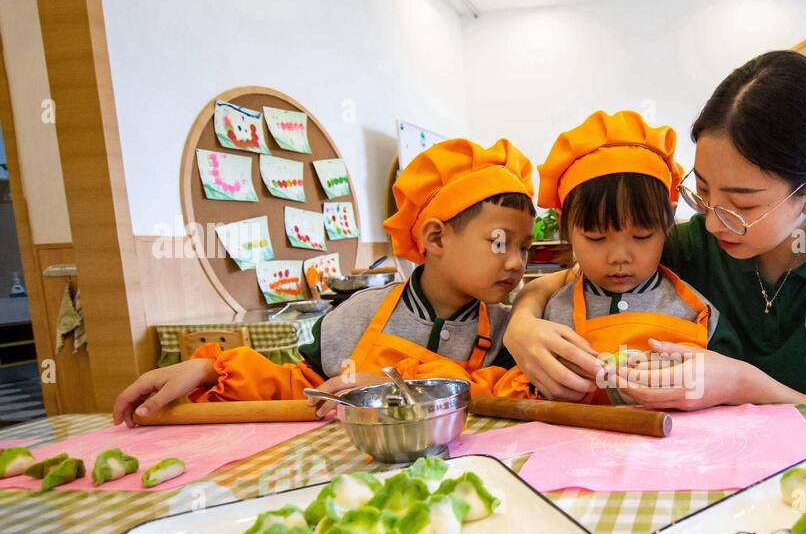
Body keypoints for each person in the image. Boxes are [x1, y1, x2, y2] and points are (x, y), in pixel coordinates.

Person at [502, 50, 806, 408]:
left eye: (742, 204)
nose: (711, 221)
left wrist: (742, 383)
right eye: (702, 192)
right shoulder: (693, 244)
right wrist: (522, 325)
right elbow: (565, 279)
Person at [112, 138, 535, 425]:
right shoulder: (356, 316)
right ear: (436, 237)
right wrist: (209, 370)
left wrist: (394, 389)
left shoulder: (509, 332)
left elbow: (506, 401)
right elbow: (305, 391)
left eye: (525, 248)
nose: (516, 263)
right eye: (500, 242)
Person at [493, 109, 724, 404]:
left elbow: (724, 393)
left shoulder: (696, 311)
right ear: (566, 225)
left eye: (641, 236)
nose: (618, 257)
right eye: (596, 238)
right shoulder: (552, 314)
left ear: (668, 223)